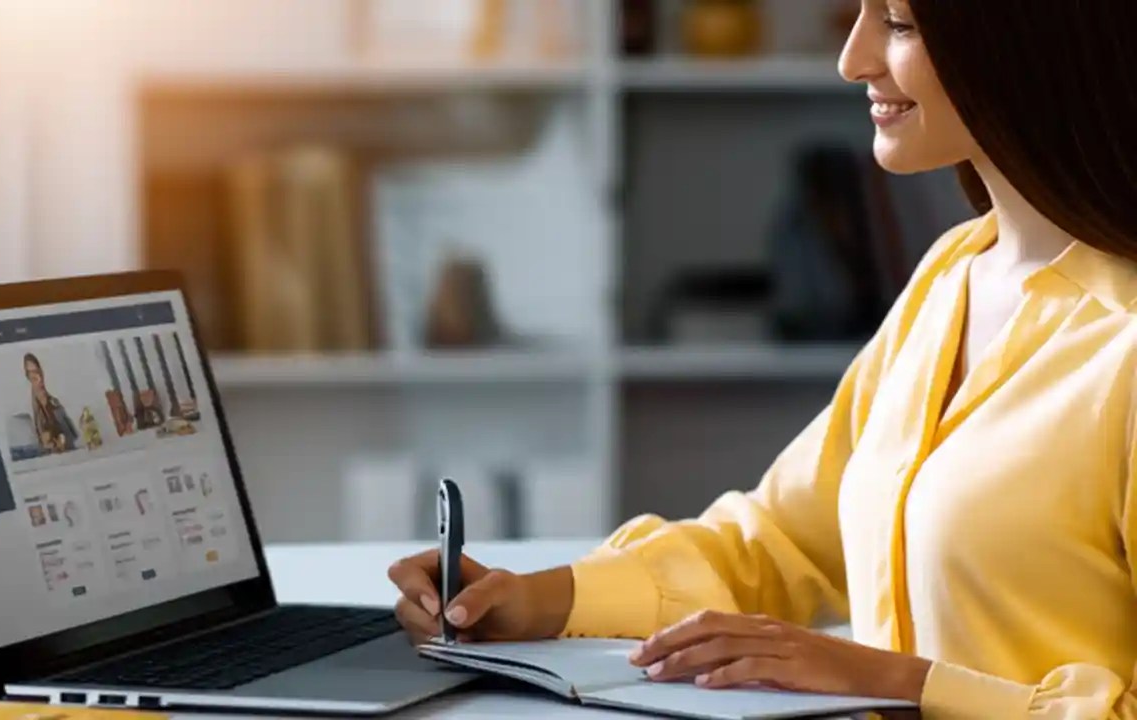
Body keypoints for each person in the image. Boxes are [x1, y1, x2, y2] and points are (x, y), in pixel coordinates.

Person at [387, 1, 1137, 717]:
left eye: (898, 24)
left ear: (1027, 44)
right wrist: (536, 601)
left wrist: (897, 682)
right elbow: (784, 542)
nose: (853, 60)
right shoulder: (953, 276)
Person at [24, 353, 78, 454]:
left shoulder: (54, 401)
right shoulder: (29, 409)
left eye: (38, 371)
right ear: (28, 376)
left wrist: (62, 441)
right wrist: (44, 443)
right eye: (32, 373)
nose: (38, 377)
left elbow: (73, 434)